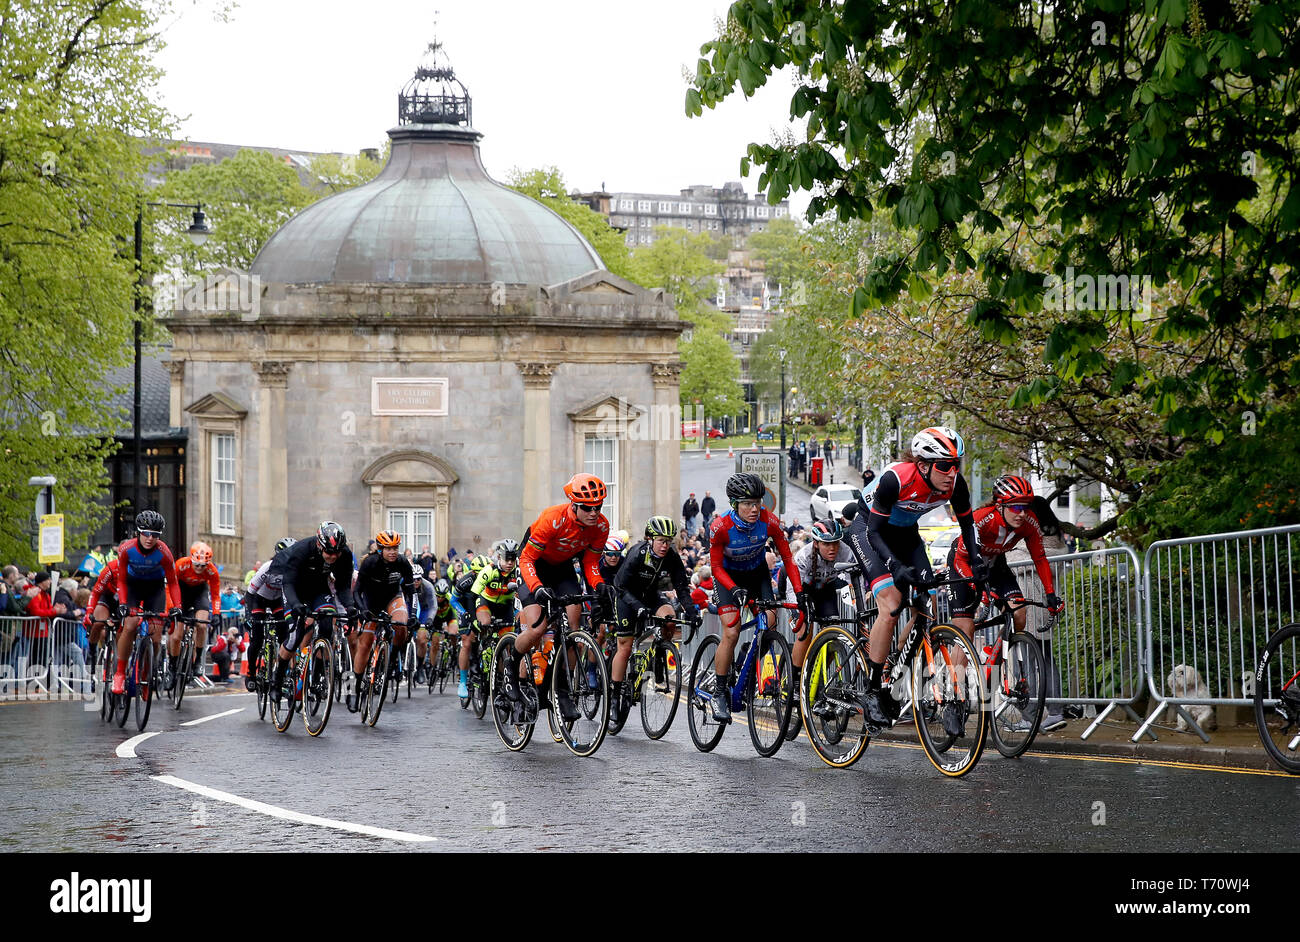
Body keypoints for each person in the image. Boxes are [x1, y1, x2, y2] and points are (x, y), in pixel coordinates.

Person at [842, 427, 979, 734]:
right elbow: (874, 532)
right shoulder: (896, 479)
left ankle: (897, 672)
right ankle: (872, 689)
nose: (952, 472)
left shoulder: (954, 484)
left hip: (906, 535)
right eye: (945, 466)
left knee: (925, 600)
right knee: (891, 604)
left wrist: (977, 560)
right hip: (868, 530)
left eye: (957, 464)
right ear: (923, 465)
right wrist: (893, 565)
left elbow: (967, 525)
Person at [948, 474, 1067, 731]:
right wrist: (975, 586)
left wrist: (1049, 594)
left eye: (1025, 506)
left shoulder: (1029, 522)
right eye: (1015, 506)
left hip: (995, 565)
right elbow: (960, 558)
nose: (1021, 513)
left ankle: (998, 662)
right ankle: (954, 699)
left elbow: (1040, 558)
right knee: (965, 630)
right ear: (999, 505)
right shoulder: (982, 519)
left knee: (1020, 613)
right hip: (965, 565)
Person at [506, 473, 611, 721]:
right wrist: (537, 587)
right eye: (587, 508)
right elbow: (527, 559)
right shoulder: (553, 518)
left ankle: (561, 690)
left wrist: (599, 586)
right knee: (537, 628)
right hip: (533, 565)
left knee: (574, 626)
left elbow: (591, 563)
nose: (594, 513)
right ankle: (511, 670)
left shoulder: (601, 526)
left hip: (562, 568)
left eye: (598, 507)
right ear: (574, 505)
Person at [707, 473, 803, 722]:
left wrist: (799, 593)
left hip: (757, 573)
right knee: (731, 631)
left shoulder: (769, 522)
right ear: (734, 504)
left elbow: (789, 559)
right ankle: (718, 692)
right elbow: (715, 567)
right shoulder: (720, 527)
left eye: (757, 502)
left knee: (770, 622)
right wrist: (733, 588)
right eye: (747, 503)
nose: (754, 508)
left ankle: (744, 663)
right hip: (727, 577)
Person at [608, 516, 700, 725]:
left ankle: (659, 653)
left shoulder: (672, 557)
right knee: (625, 645)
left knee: (669, 619)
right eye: (660, 540)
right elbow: (620, 586)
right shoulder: (638, 553)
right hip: (626, 597)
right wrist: (637, 607)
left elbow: (682, 589)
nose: (664, 545)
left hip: (650, 597)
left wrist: (692, 611)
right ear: (649, 539)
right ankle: (614, 696)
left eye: (668, 541)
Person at [267, 522, 356, 704]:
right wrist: (295, 604)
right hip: (295, 589)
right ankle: (276, 680)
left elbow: (342, 586)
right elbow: (288, 583)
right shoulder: (301, 550)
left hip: (319, 590)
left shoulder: (344, 554)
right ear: (319, 545)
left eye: (337, 553)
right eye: (329, 553)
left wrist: (350, 606)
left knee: (326, 627)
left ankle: (316, 677)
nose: (333, 557)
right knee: (295, 636)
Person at [784, 518, 854, 737]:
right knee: (805, 631)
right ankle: (795, 682)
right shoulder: (803, 556)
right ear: (816, 543)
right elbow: (792, 589)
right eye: (827, 544)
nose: (832, 548)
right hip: (799, 588)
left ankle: (820, 674)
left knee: (832, 630)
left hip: (824, 589)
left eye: (835, 543)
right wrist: (798, 612)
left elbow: (855, 580)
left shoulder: (845, 552)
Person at [112, 510, 182, 695]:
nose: (150, 538)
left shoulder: (164, 552)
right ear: (138, 532)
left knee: (156, 637)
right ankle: (119, 673)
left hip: (155, 588)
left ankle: (146, 673)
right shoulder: (127, 549)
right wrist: (123, 603)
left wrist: (177, 607)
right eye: (146, 533)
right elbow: (121, 580)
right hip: (133, 586)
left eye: (155, 535)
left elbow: (173, 582)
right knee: (130, 625)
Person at [351, 529, 415, 709]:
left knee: (401, 625)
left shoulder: (402, 562)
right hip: (371, 602)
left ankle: (392, 659)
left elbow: (411, 592)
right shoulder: (370, 562)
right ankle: (354, 689)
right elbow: (357, 591)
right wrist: (362, 610)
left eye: (395, 547)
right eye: (388, 548)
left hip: (392, 597)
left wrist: (414, 616)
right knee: (364, 644)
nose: (393, 551)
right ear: (380, 549)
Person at [167, 541, 221, 690]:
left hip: (199, 593)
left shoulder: (212, 571)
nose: (199, 568)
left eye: (203, 566)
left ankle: (197, 662)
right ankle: (172, 666)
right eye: (197, 565)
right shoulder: (181, 564)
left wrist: (216, 613)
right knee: (177, 636)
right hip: (181, 592)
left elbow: (215, 595)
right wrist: (171, 608)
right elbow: (170, 587)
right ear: (191, 559)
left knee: (202, 625)